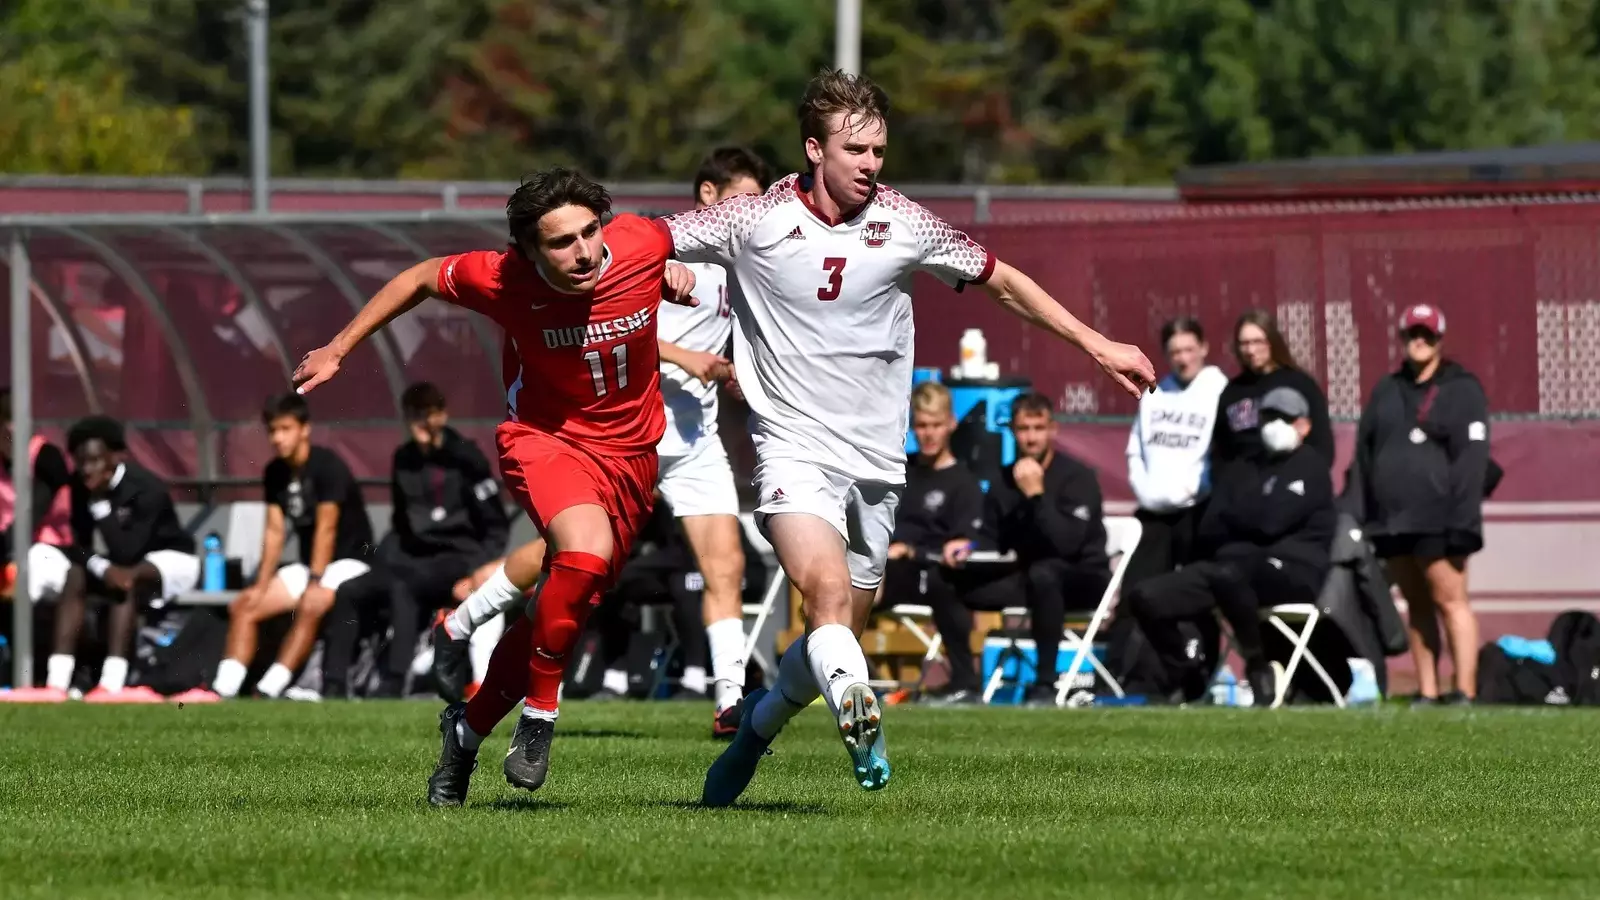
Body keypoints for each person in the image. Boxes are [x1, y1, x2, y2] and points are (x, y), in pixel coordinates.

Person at [668, 69, 1155, 806]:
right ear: (814, 148)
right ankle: (862, 730)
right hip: (791, 451)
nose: (870, 164)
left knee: (835, 637)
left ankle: (754, 736)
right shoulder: (752, 219)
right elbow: (642, 238)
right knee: (824, 596)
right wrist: (657, 258)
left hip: (875, 466)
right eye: (856, 149)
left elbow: (1004, 281)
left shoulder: (904, 222)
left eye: (879, 150)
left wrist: (1098, 344)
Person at [292, 167, 697, 807]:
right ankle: (540, 715)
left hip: (632, 460)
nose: (584, 251)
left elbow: (700, 243)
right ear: (528, 252)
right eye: (562, 242)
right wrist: (340, 348)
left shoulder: (642, 244)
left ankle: (466, 731)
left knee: (555, 617)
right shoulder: (502, 278)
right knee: (583, 553)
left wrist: (674, 270)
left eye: (591, 233)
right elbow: (419, 277)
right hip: (546, 441)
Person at [428, 146, 772, 739]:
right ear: (710, 198)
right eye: (743, 199)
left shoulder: (741, 265)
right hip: (611, 429)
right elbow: (611, 325)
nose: (752, 213)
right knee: (567, 557)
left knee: (726, 562)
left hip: (693, 433)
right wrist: (683, 345)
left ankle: (729, 698)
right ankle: (463, 621)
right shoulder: (642, 251)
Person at [1123, 387, 1335, 705]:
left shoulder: (1312, 467)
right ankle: (1184, 670)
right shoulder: (1244, 465)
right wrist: (1253, 511)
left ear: (1303, 425)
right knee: (1145, 596)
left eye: (1284, 418)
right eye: (1268, 416)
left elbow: (1271, 522)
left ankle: (1257, 664)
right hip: (1231, 572)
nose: (1274, 424)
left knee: (1228, 573)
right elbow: (1213, 523)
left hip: (1292, 571)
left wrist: (1243, 514)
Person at [1347, 304, 1489, 705]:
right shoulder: (1387, 389)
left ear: (1440, 339)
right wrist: (1362, 512)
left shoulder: (1462, 388)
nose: (1419, 342)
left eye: (1427, 334)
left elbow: (1471, 459)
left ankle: (1464, 690)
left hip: (1442, 519)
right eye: (1412, 334)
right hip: (1393, 520)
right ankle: (1427, 690)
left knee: (1451, 600)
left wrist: (1464, 521)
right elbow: (1365, 452)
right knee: (1417, 605)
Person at [932, 392, 1110, 706]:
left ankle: (1045, 684)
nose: (1031, 437)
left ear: (1052, 430)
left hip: (1083, 577)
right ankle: (964, 681)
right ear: (1013, 431)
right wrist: (968, 546)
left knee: (1046, 572)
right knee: (943, 578)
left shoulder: (1077, 477)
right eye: (1023, 429)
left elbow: (1066, 544)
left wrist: (1036, 496)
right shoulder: (1003, 479)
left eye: (1038, 428)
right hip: (1028, 578)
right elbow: (990, 539)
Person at [205, 394, 373, 701]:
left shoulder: (327, 465)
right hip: (312, 564)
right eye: (272, 430)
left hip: (350, 562)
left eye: (285, 428)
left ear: (304, 429)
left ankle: (269, 688)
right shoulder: (275, 472)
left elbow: (327, 528)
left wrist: (314, 581)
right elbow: (274, 532)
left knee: (312, 602)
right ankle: (223, 690)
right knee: (245, 604)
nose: (277, 438)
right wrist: (261, 584)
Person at [18, 416, 197, 702]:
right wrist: (102, 567)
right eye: (80, 462)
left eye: (95, 460)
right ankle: (57, 682)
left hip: (171, 560)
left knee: (127, 578)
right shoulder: (79, 486)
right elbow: (79, 544)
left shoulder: (146, 487)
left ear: (116, 456)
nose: (87, 470)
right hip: (118, 563)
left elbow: (130, 551)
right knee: (75, 574)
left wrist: (100, 507)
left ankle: (111, 683)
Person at [875, 382, 984, 699]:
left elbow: (968, 542)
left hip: (934, 572)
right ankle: (846, 677)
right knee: (840, 577)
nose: (928, 433)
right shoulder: (899, 470)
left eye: (936, 425)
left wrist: (912, 551)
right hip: (887, 566)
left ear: (951, 424)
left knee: (940, 581)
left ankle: (965, 681)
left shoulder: (964, 482)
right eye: (921, 425)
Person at [1123, 317, 1228, 588]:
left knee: (1193, 594)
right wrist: (1144, 490)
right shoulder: (1155, 393)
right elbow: (1136, 448)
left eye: (1189, 350)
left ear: (1204, 348)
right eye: (1175, 352)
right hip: (1153, 511)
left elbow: (1223, 453)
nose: (1183, 358)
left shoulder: (1220, 390)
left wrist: (1199, 488)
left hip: (1196, 511)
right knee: (1137, 592)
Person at [1212, 310, 1333, 471]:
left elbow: (1322, 444)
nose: (1251, 350)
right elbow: (1221, 451)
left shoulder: (1299, 384)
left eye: (1257, 342)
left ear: (1272, 342)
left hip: (1289, 483)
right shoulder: (1232, 392)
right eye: (1244, 343)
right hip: (1244, 488)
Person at [0, 387, 73, 595]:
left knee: (28, 567)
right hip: (8, 546)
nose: (12, 428)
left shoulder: (46, 458)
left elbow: (29, 518)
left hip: (49, 549)